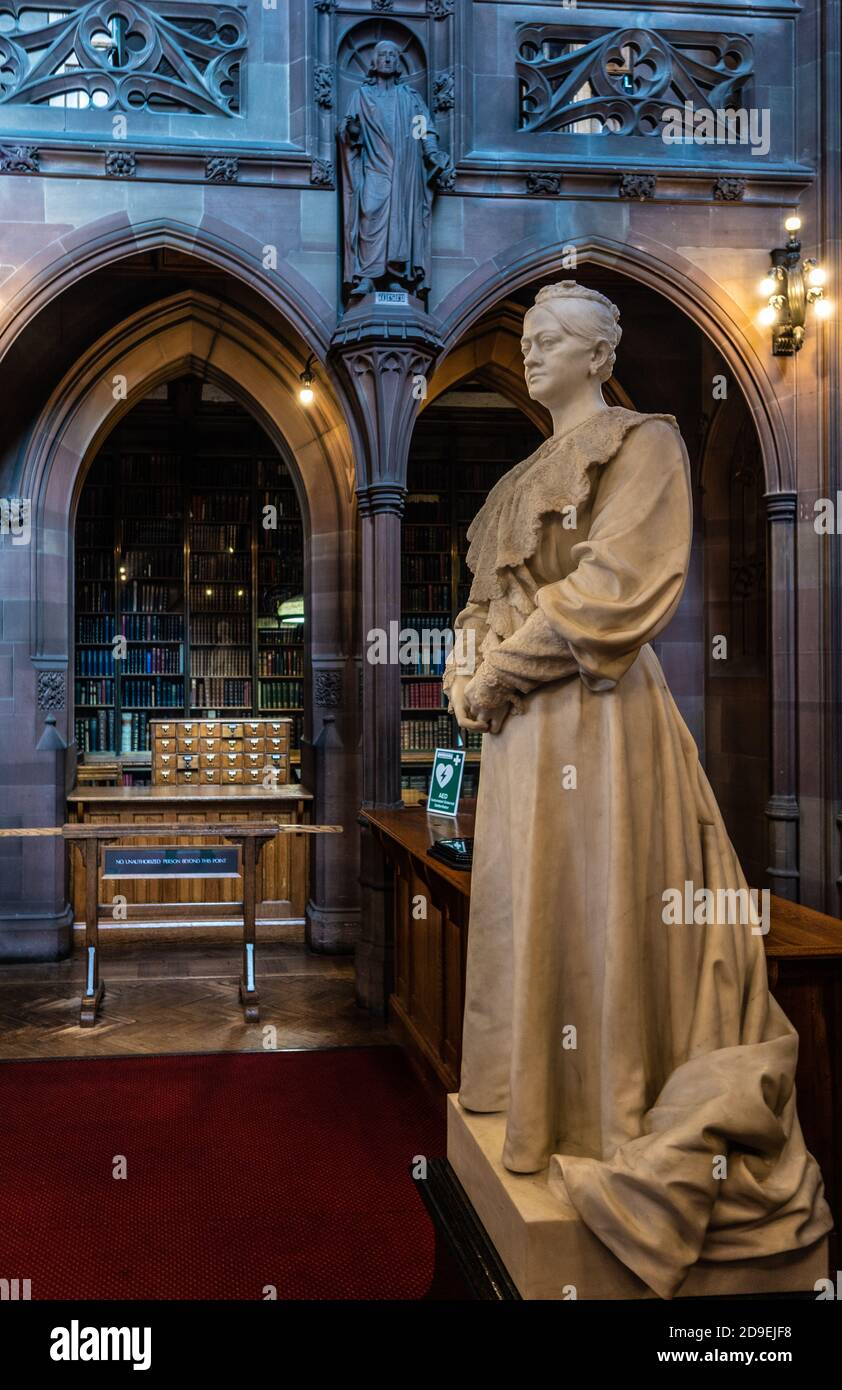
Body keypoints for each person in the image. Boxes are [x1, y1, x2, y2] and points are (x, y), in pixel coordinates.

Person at [442, 280, 832, 1299]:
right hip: (522, 741)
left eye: (549, 338)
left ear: (595, 352)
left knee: (596, 905)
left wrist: (498, 669)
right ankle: (528, 1100)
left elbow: (615, 588)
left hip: (597, 721)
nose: (529, 352)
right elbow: (479, 605)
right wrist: (462, 671)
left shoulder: (641, 443)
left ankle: (597, 1109)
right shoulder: (518, 477)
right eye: (523, 337)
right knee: (532, 913)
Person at [338, 40, 452, 300]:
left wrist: (432, 152)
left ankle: (394, 278)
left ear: (397, 62)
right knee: (370, 214)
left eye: (392, 54)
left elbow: (425, 128)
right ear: (374, 62)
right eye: (383, 55)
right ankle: (367, 276)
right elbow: (346, 131)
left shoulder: (410, 98)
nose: (388, 59)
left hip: (404, 170)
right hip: (373, 169)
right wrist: (352, 130)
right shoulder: (361, 97)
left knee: (400, 221)